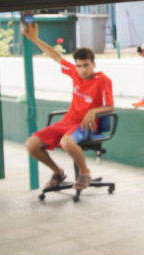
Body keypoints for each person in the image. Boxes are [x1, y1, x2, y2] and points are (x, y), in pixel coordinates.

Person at [22, 22, 114, 192]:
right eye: (79, 66)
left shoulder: (103, 80)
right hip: (67, 122)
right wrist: (35, 39)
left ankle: (85, 172)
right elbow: (56, 56)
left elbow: (110, 107)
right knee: (31, 145)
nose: (82, 70)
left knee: (66, 141)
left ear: (93, 64)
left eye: (86, 65)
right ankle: (58, 173)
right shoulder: (74, 73)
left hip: (86, 125)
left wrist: (93, 111)